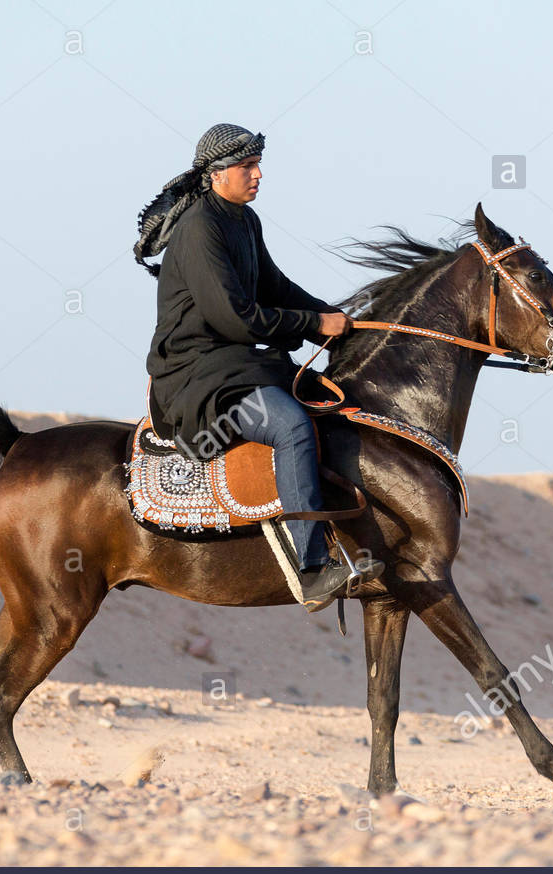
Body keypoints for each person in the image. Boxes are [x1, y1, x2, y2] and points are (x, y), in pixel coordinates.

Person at [134, 123, 382, 610]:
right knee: (290, 425)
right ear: (216, 174)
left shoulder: (244, 221)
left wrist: (339, 321)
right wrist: (313, 322)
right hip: (197, 376)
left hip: (237, 363)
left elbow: (276, 287)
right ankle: (310, 571)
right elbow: (234, 316)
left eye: (256, 165)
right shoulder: (200, 228)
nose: (258, 174)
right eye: (247, 167)